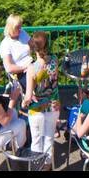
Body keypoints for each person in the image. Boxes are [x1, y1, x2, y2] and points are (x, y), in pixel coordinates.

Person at [21, 31, 60, 165]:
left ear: (33, 48)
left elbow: (28, 97)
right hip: (54, 105)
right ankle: (48, 165)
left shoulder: (31, 68)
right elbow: (52, 79)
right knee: (49, 138)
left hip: (37, 109)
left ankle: (37, 166)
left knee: (36, 140)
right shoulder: (55, 59)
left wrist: (22, 102)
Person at [0, 15, 32, 91]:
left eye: (21, 26)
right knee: (36, 82)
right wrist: (25, 68)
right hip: (20, 72)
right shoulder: (5, 44)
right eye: (18, 27)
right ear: (11, 28)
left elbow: (33, 45)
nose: (20, 29)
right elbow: (9, 68)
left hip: (31, 65)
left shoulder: (22, 33)